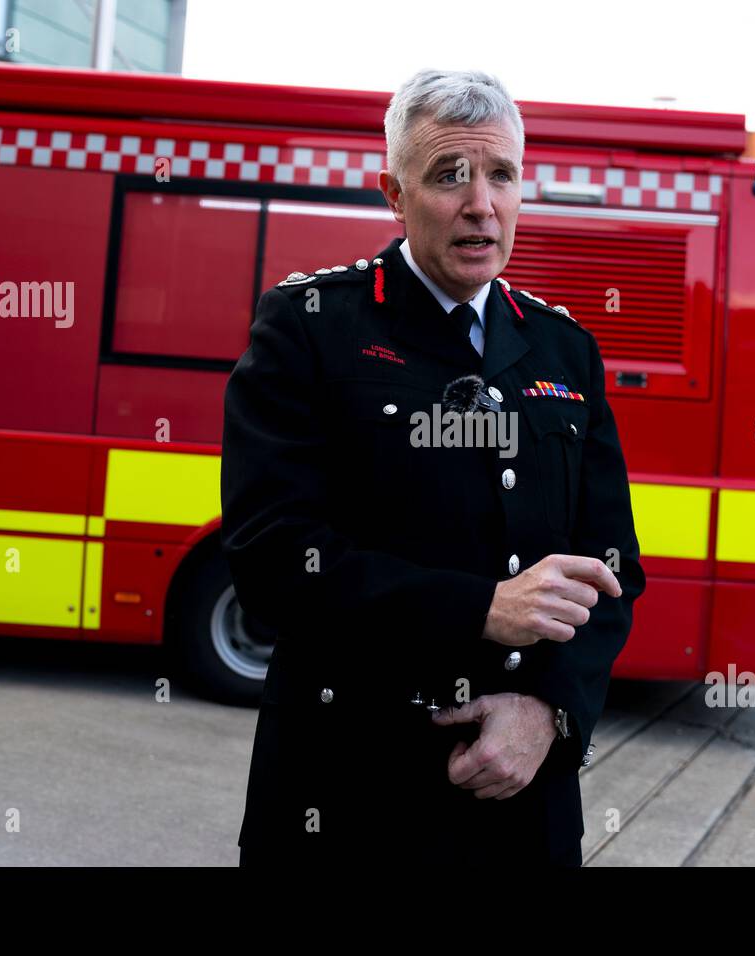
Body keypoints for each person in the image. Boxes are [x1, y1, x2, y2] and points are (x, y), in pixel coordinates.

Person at [221, 68, 645, 867]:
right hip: (345, 803)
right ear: (394, 192)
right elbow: (273, 557)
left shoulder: (564, 349)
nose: (480, 203)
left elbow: (614, 571)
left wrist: (548, 712)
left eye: (502, 175)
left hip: (521, 812)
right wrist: (480, 606)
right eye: (450, 175)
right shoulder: (312, 327)